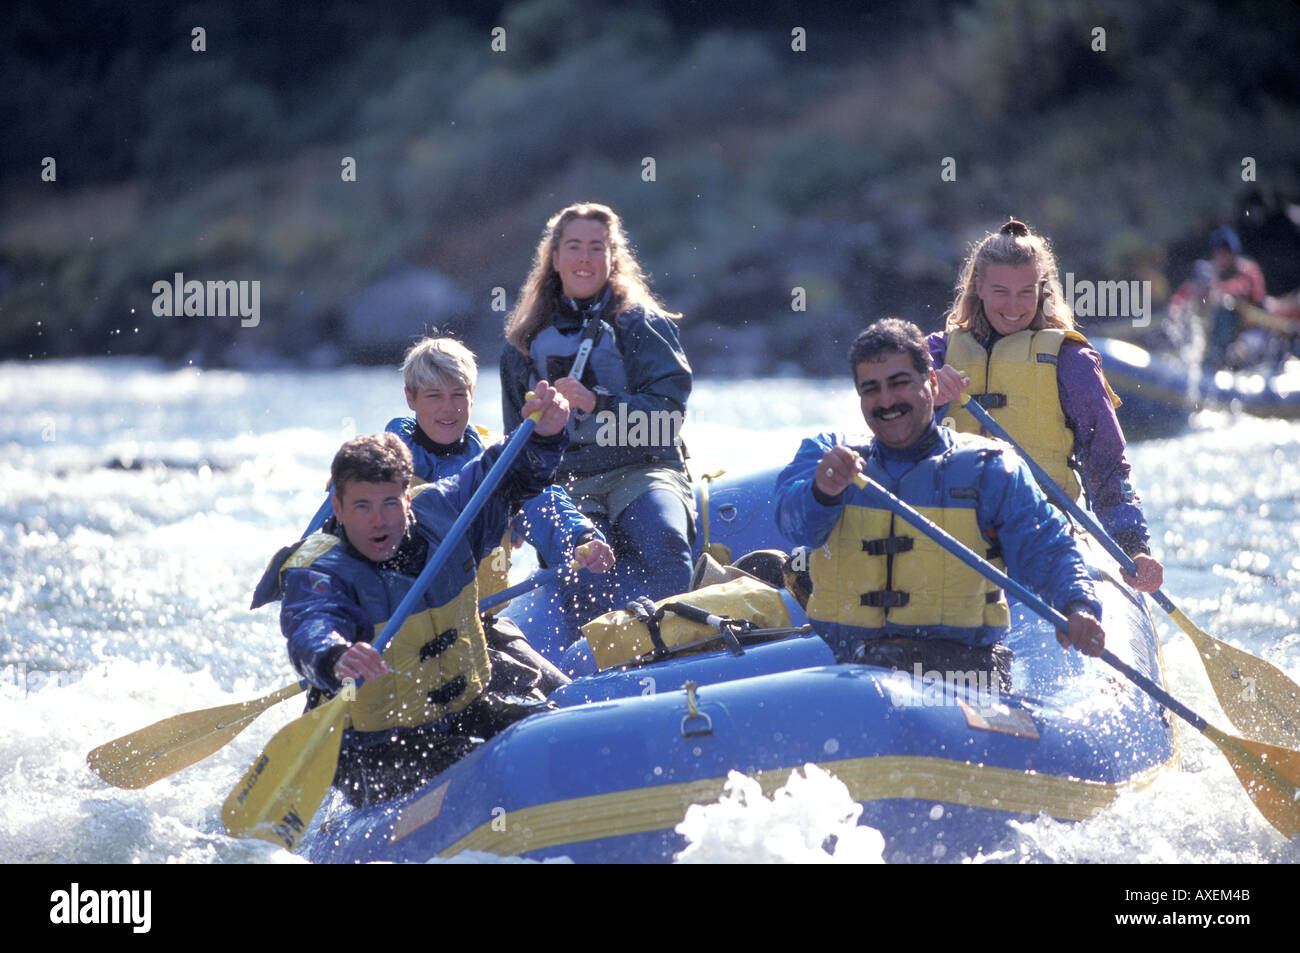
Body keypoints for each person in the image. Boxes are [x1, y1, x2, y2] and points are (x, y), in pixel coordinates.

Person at [252, 384, 574, 808]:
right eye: (362, 506)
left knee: (556, 737)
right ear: (337, 505)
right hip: (375, 747)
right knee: (466, 765)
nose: (378, 521)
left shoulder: (446, 512)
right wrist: (334, 656)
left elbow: (509, 474)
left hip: (464, 709)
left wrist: (545, 434)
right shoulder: (319, 570)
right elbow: (312, 623)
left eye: (389, 503)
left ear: (408, 498)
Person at [774, 319, 1106, 689]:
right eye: (872, 390)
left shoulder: (990, 469)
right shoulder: (828, 458)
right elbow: (793, 525)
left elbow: (1046, 548)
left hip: (964, 671)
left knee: (887, 670)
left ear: (931, 382)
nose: (886, 401)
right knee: (874, 671)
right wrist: (822, 489)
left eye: (899, 383)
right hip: (852, 669)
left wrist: (1078, 604)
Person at [929, 218, 1164, 593]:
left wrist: (1134, 547)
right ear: (978, 287)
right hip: (948, 536)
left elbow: (1107, 465)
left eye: (1025, 292)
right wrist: (927, 399)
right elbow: (891, 437)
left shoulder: (1071, 362)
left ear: (1043, 290)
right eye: (1000, 291)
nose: (1013, 305)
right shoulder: (936, 355)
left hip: (1039, 533)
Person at [499, 202, 693, 634]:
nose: (584, 259)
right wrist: (512, 513)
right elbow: (517, 448)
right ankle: (603, 668)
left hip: (643, 470)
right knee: (585, 570)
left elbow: (667, 423)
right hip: (568, 485)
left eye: (596, 248)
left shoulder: (642, 326)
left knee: (664, 544)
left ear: (612, 257)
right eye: (573, 247)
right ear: (554, 258)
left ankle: (678, 650)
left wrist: (597, 404)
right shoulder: (523, 346)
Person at [387, 336, 615, 614]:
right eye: (434, 396)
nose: (448, 408)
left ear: (473, 393)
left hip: (482, 622)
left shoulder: (502, 457)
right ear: (411, 397)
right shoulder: (377, 466)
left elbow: (542, 504)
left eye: (458, 394)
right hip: (406, 629)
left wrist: (580, 539)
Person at [1169, 226, 1267, 369]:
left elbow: (1250, 295)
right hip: (1218, 336)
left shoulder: (1248, 271)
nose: (1223, 255)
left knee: (1239, 351)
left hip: (1251, 330)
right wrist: (1176, 306)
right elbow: (1186, 292)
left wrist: (1217, 292)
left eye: (1227, 251)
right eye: (1220, 251)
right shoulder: (1209, 273)